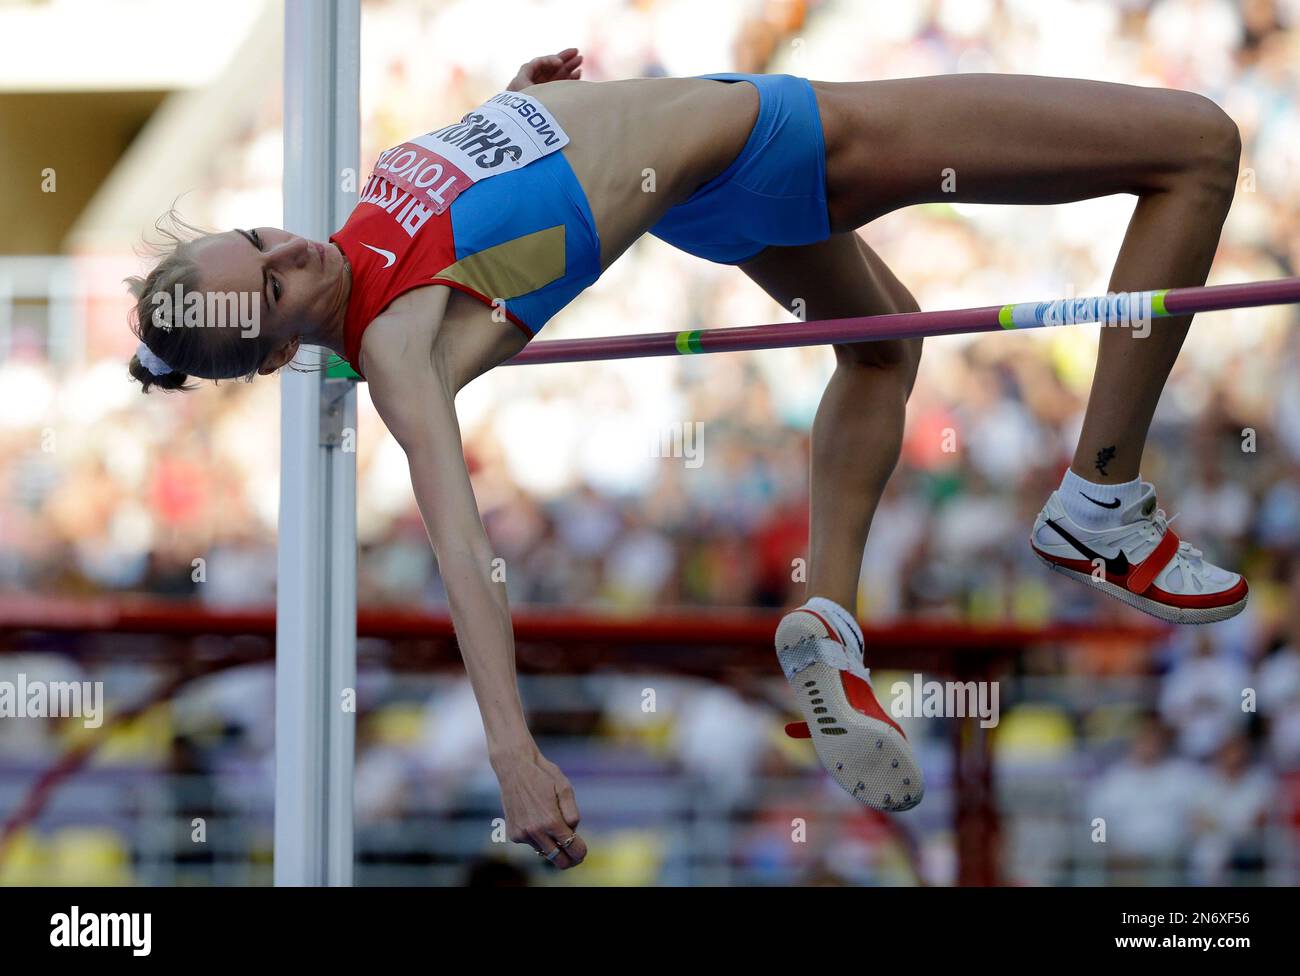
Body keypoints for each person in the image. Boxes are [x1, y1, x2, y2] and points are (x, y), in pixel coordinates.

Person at [126, 49, 1247, 867]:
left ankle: (831, 619)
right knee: (1195, 146)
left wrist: (526, 98)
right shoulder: (399, 348)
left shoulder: (365, 216)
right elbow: (465, 553)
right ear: (277, 354)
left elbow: (511, 204)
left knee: (882, 349)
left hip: (704, 194)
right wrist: (513, 755)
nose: (294, 251)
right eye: (276, 290)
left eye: (264, 239)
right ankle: (1102, 494)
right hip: (778, 140)